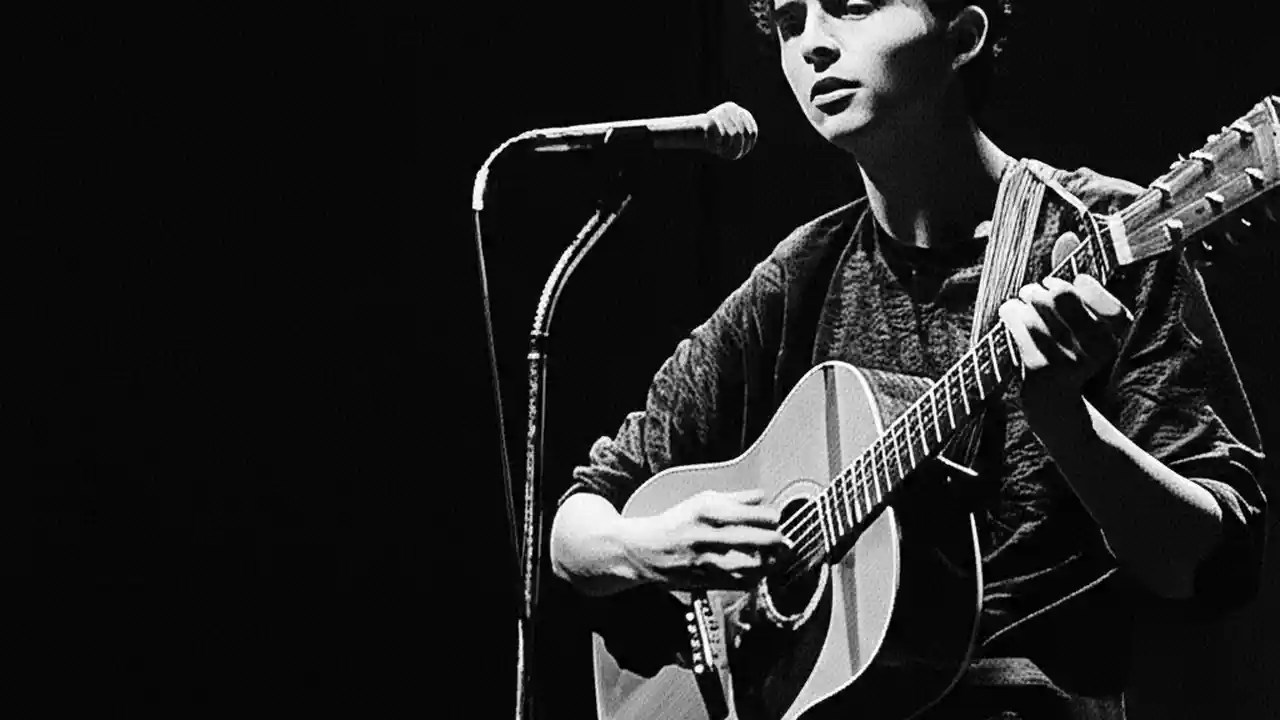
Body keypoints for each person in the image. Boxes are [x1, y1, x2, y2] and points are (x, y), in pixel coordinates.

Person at [547, 1, 1270, 718]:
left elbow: (1209, 566)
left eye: (853, 7)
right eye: (791, 22)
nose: (813, 44)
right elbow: (575, 529)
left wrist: (1065, 421)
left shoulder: (1095, 242)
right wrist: (648, 549)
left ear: (963, 36)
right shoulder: (801, 278)